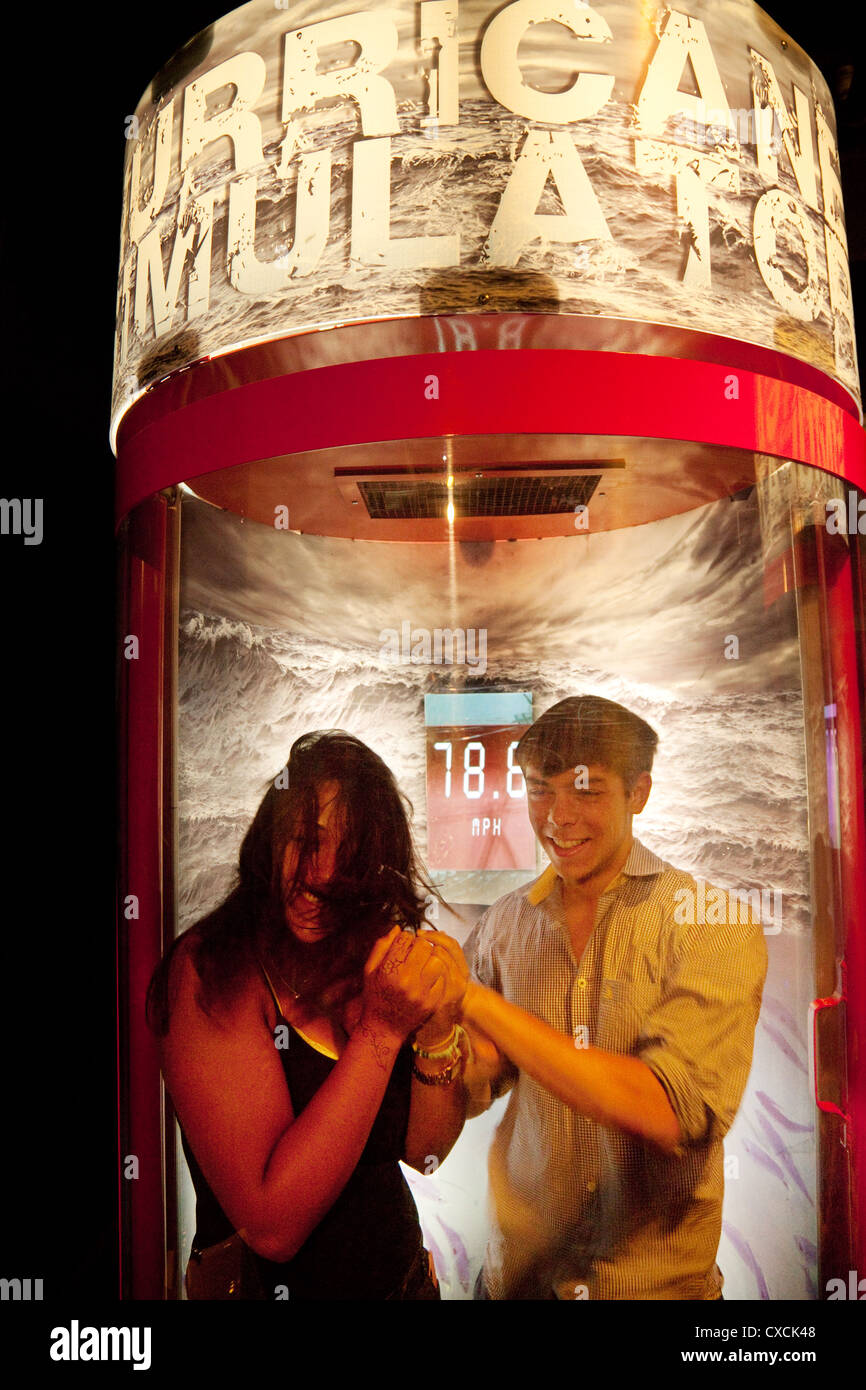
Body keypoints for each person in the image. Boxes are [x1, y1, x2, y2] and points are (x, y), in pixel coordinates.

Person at [459, 695, 768, 1300]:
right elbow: (468, 1095)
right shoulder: (503, 925)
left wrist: (476, 1003)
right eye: (539, 789)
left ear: (639, 793)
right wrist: (427, 1031)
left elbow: (669, 1113)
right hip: (514, 1285)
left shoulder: (712, 922)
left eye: (588, 791)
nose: (557, 817)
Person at [147, 730, 469, 1300]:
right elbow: (273, 1227)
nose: (321, 874)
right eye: (307, 841)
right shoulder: (212, 970)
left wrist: (439, 1029)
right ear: (270, 836)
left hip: (407, 1284)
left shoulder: (363, 950)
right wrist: (383, 1029)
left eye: (351, 858)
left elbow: (424, 1153)